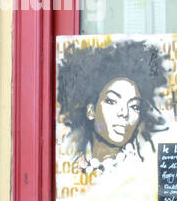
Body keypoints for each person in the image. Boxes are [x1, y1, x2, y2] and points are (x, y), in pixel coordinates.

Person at [57, 39, 169, 177]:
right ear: (91, 111)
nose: (124, 113)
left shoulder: (144, 167)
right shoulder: (67, 162)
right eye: (111, 101)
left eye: (134, 106)